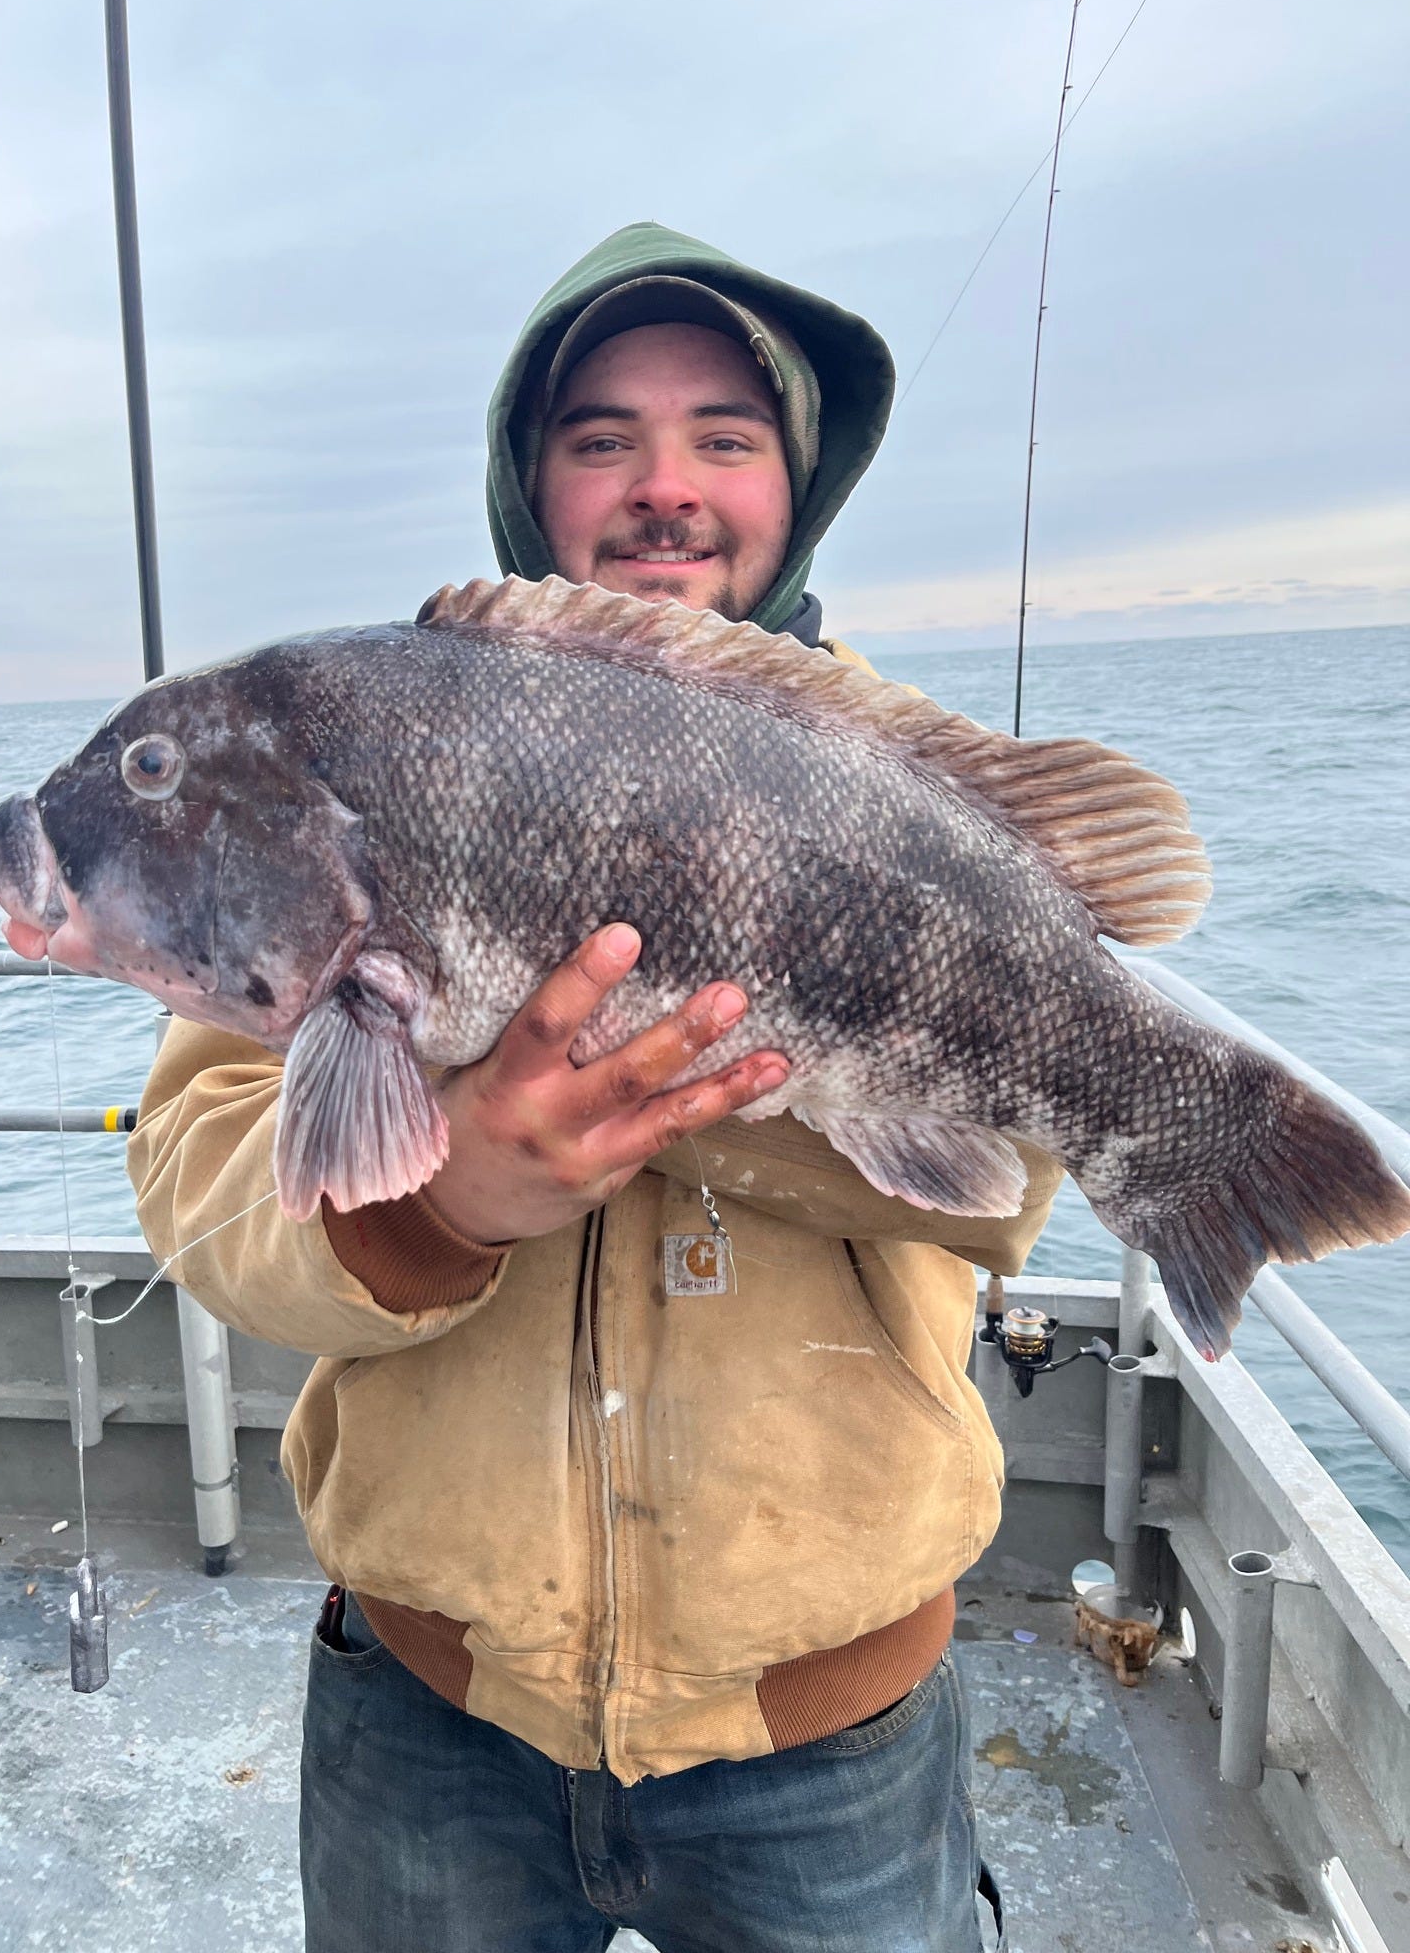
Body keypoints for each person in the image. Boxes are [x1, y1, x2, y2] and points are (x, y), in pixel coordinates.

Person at [128, 221, 1061, 1952]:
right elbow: (198, 1184)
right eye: (599, 437)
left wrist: (657, 1093)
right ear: (527, 476)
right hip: (431, 1713)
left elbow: (1008, 1182)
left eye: (725, 434)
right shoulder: (369, 741)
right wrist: (445, 1198)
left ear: (798, 478)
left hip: (830, 1741)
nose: (665, 488)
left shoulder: (920, 786)